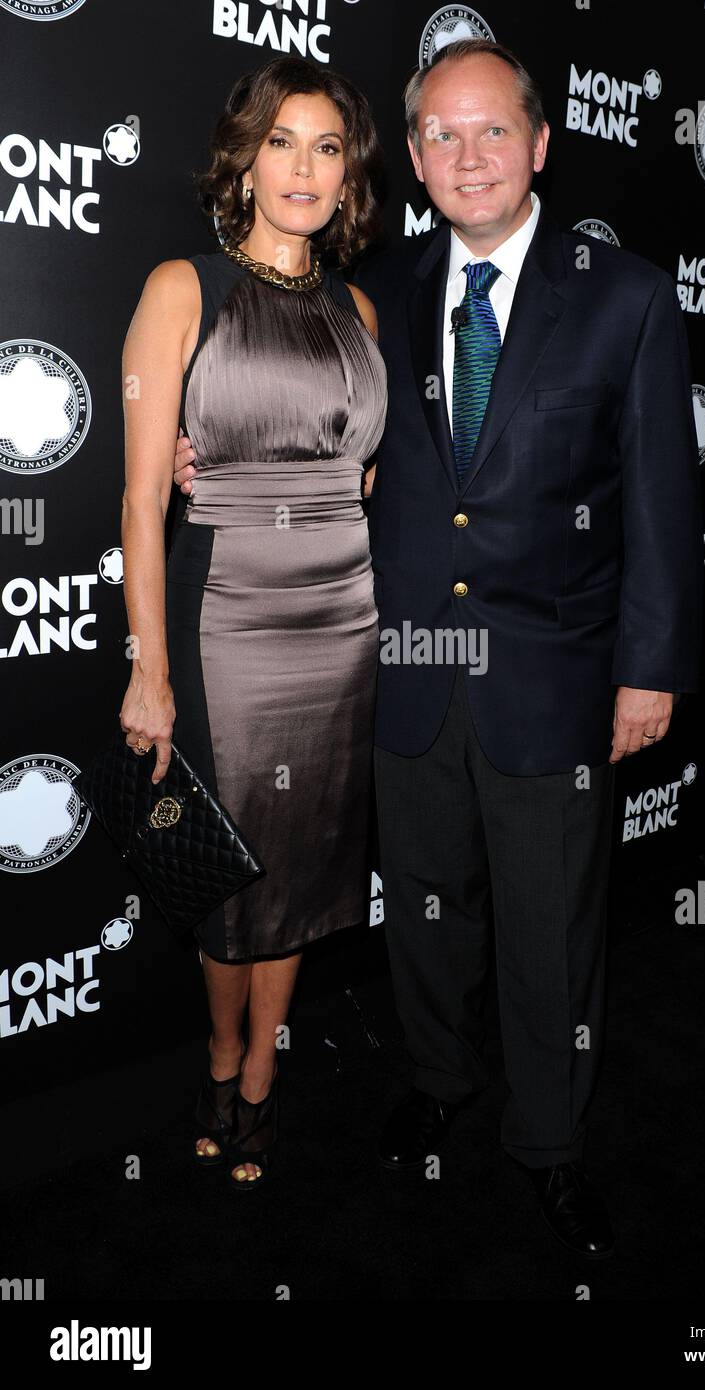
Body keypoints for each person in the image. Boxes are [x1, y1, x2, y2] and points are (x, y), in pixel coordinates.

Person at [175, 38, 703, 1255]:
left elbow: (661, 502)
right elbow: (310, 434)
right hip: (401, 675)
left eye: (491, 130)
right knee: (423, 913)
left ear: (539, 143)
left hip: (555, 682)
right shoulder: (378, 292)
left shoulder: (623, 293)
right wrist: (215, 463)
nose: (468, 156)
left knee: (549, 929)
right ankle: (437, 1079)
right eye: (441, 136)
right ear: (412, 158)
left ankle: (548, 1140)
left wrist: (648, 667)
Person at [120, 55, 386, 1191]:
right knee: (226, 877)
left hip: (342, 623)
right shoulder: (182, 286)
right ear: (244, 158)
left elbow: (360, 479)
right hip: (224, 619)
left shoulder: (359, 307)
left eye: (326, 148)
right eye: (283, 141)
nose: (303, 168)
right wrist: (149, 671)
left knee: (302, 874)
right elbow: (139, 500)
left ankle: (262, 1078)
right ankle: (221, 1050)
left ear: (349, 178)